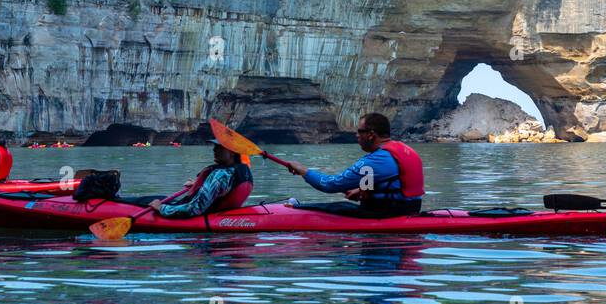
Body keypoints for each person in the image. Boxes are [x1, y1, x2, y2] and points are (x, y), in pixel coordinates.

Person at [284, 112, 425, 217]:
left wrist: (303, 171)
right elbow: (387, 179)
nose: (356, 135)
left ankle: (297, 208)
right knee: (343, 206)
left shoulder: (374, 161)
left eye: (359, 131)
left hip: (388, 212)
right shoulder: (404, 150)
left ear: (371, 134)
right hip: (410, 208)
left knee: (335, 207)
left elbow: (329, 185)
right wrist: (360, 190)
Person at [147, 138, 253, 219]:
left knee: (146, 201)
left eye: (219, 147)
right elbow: (224, 189)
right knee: (159, 197)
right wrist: (199, 185)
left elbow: (195, 208)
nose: (214, 150)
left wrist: (161, 208)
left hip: (201, 216)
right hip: (220, 213)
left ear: (232, 152)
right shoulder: (244, 170)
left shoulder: (220, 175)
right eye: (214, 146)